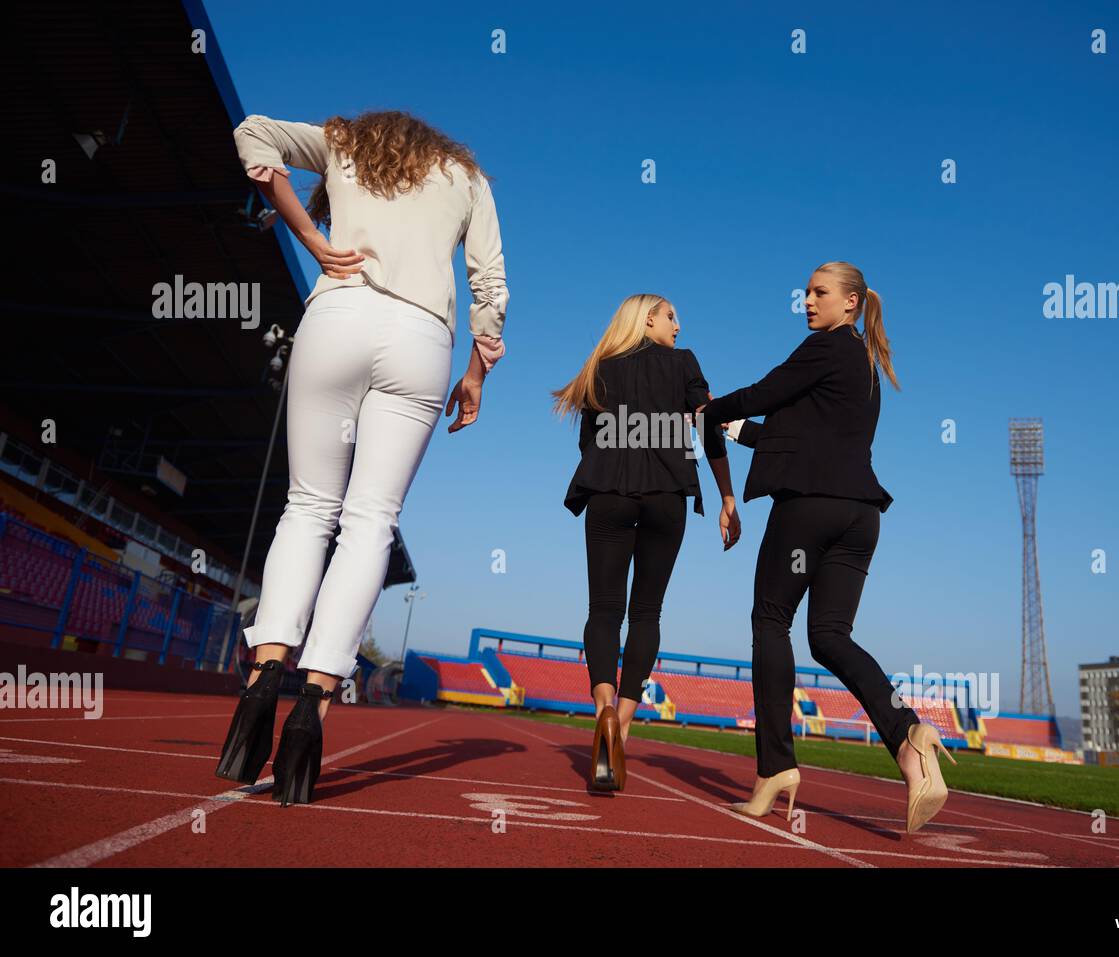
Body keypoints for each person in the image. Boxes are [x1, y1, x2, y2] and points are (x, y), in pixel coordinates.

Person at [215, 110, 508, 806]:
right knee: (371, 519)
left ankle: (264, 677)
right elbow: (489, 288)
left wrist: (311, 234)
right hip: (420, 338)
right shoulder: (467, 177)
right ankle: (314, 705)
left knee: (308, 506)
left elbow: (251, 134)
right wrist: (477, 372)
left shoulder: (341, 143)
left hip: (339, 316)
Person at [699, 261, 955, 833]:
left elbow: (763, 394)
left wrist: (708, 411)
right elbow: (793, 438)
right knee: (831, 637)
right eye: (805, 292)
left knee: (770, 620)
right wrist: (732, 428)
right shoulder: (862, 362)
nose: (807, 301)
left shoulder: (826, 346)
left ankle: (774, 770)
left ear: (851, 303)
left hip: (810, 510)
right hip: (859, 517)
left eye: (820, 293)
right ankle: (910, 741)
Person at [553, 295, 739, 791]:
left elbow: (588, 441)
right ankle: (626, 731)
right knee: (647, 613)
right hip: (666, 491)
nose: (679, 325)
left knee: (604, 609)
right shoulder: (684, 363)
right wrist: (726, 495)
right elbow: (710, 426)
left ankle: (604, 710)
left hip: (608, 488)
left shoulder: (602, 366)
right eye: (672, 316)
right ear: (649, 318)